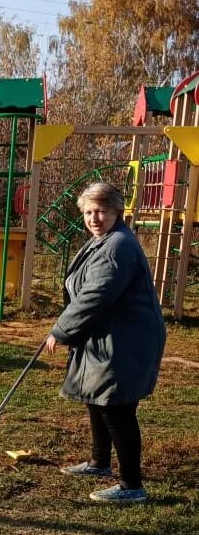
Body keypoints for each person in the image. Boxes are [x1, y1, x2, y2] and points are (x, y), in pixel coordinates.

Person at [45, 182, 166, 504]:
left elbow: (96, 296)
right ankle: (99, 463)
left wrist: (61, 330)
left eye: (100, 210)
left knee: (117, 407)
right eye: (88, 212)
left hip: (126, 337)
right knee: (97, 399)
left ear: (115, 211)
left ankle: (132, 485)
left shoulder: (118, 246)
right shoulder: (103, 240)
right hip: (104, 334)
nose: (93, 218)